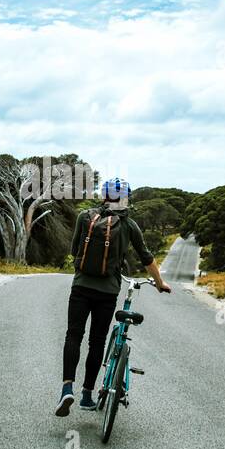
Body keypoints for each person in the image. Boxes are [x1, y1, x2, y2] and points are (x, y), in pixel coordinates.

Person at [57, 178, 170, 416]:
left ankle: (67, 388)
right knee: (96, 341)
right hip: (107, 292)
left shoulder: (85, 216)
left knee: (74, 335)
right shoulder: (129, 225)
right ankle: (87, 394)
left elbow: (74, 250)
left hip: (81, 286)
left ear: (104, 195)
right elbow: (146, 257)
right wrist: (160, 283)